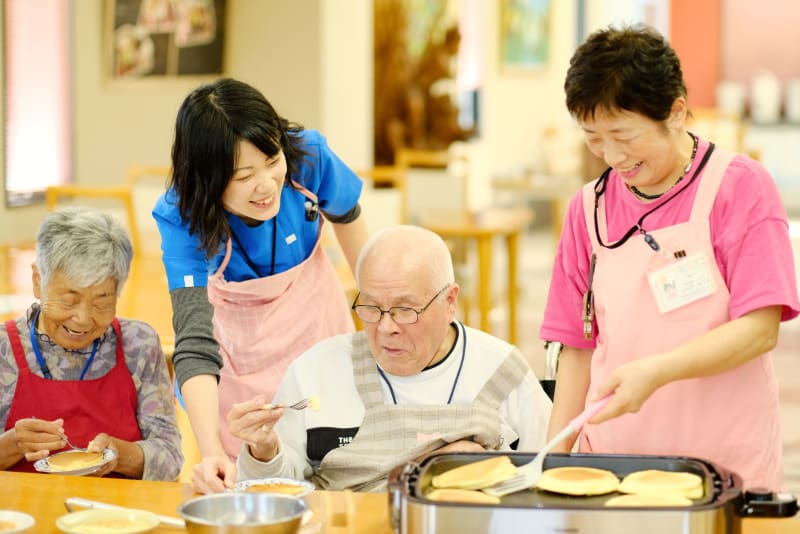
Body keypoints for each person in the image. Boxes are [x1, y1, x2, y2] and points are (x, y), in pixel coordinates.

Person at [540, 24, 800, 490]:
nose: (611, 155)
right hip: (614, 465)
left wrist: (657, 372)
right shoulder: (586, 210)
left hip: (721, 465)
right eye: (593, 137)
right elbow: (576, 348)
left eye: (623, 135)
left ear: (677, 112)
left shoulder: (739, 187)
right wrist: (552, 462)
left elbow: (760, 330)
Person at [202, 225, 553, 494]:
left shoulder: (501, 370)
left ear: (450, 302)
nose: (386, 328)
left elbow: (546, 478)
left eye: (405, 310)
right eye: (370, 307)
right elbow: (282, 491)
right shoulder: (316, 370)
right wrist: (265, 450)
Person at [153, 78, 369, 491]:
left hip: (314, 319)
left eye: (272, 162)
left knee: (336, 460)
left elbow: (351, 221)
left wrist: (382, 311)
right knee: (250, 474)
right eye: (244, 175)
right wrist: (212, 451)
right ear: (208, 179)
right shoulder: (182, 212)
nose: (267, 184)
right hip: (236, 346)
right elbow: (194, 337)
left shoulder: (309, 157)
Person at [0, 207, 183, 480]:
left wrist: (120, 455)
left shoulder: (139, 345)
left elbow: (170, 459)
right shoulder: (4, 348)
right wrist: (12, 444)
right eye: (69, 299)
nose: (83, 320)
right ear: (38, 281)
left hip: (120, 517)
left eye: (102, 302)